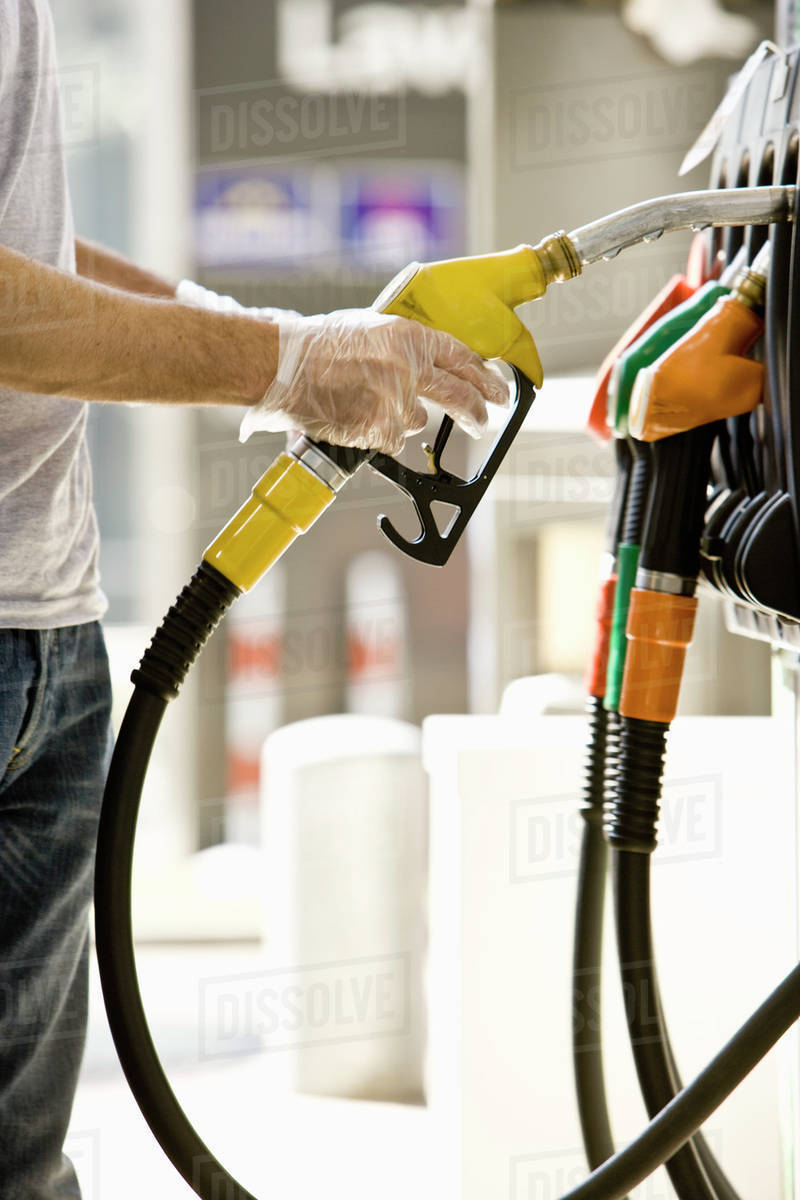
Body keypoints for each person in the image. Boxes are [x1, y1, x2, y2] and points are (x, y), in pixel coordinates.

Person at [0, 2, 507, 1196]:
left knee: (20, 1164)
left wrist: (268, 343)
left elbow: (33, 249)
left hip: (47, 627)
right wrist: (279, 361)